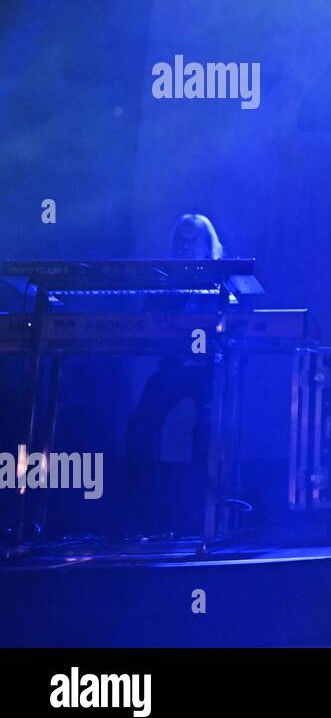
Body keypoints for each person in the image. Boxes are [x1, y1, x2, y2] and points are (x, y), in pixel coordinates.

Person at [122, 214, 224, 537]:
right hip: (175, 368)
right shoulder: (164, 280)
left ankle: (202, 520)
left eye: (192, 240)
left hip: (211, 370)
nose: (185, 246)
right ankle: (138, 518)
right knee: (141, 421)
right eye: (180, 240)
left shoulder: (222, 279)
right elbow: (146, 322)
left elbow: (239, 322)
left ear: (209, 247)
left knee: (209, 424)